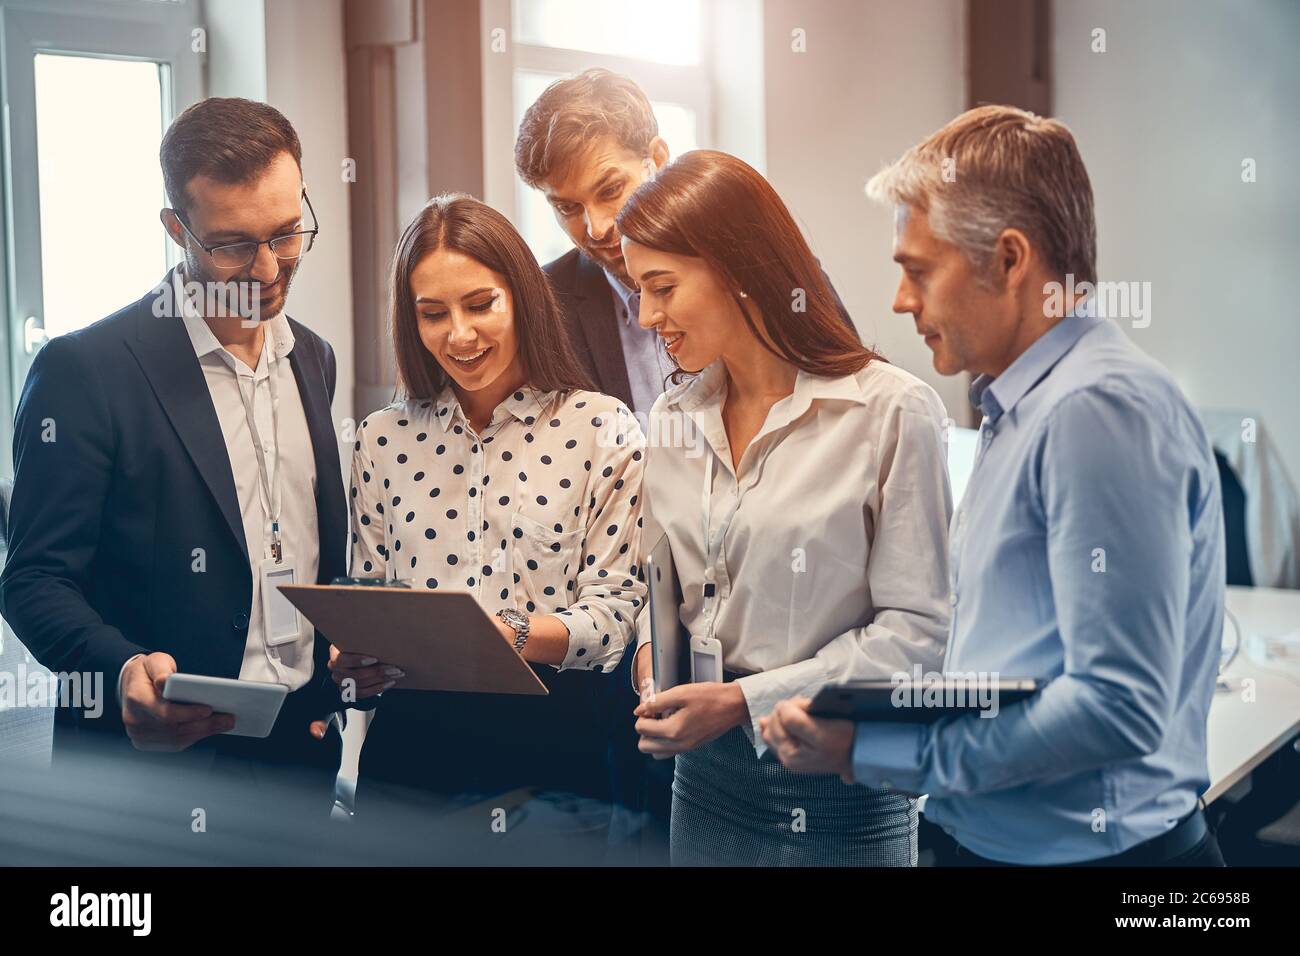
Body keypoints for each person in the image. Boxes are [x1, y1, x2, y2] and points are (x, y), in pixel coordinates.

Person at [762, 105, 1227, 867]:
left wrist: (873, 751)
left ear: (1009, 261)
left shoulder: (1093, 409)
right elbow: (1020, 666)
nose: (901, 301)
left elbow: (1117, 707)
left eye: (917, 269)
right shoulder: (1024, 403)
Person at [514, 66, 858, 858]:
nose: (595, 224)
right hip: (615, 652)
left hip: (780, 647)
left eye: (608, 188)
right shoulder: (542, 305)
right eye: (566, 207)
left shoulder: (783, 291)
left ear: (659, 156)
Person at [0, 97, 348, 805]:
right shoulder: (86, 370)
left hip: (301, 752)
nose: (267, 269)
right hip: (152, 771)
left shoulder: (314, 357)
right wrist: (124, 669)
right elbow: (33, 581)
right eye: (232, 244)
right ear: (176, 229)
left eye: (286, 233)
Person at [620, 150, 953, 866]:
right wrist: (653, 662)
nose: (647, 316)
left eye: (662, 286)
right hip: (702, 783)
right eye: (637, 291)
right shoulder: (673, 417)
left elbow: (919, 636)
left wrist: (743, 703)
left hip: (842, 788)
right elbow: (662, 593)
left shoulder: (891, 411)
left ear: (737, 268)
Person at [333, 194, 646, 858]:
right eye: (433, 313)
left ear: (522, 299)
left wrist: (512, 635)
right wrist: (354, 661)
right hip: (410, 754)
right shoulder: (381, 439)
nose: (460, 335)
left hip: (556, 755)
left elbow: (618, 616)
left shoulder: (602, 428)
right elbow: (370, 595)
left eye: (481, 305)